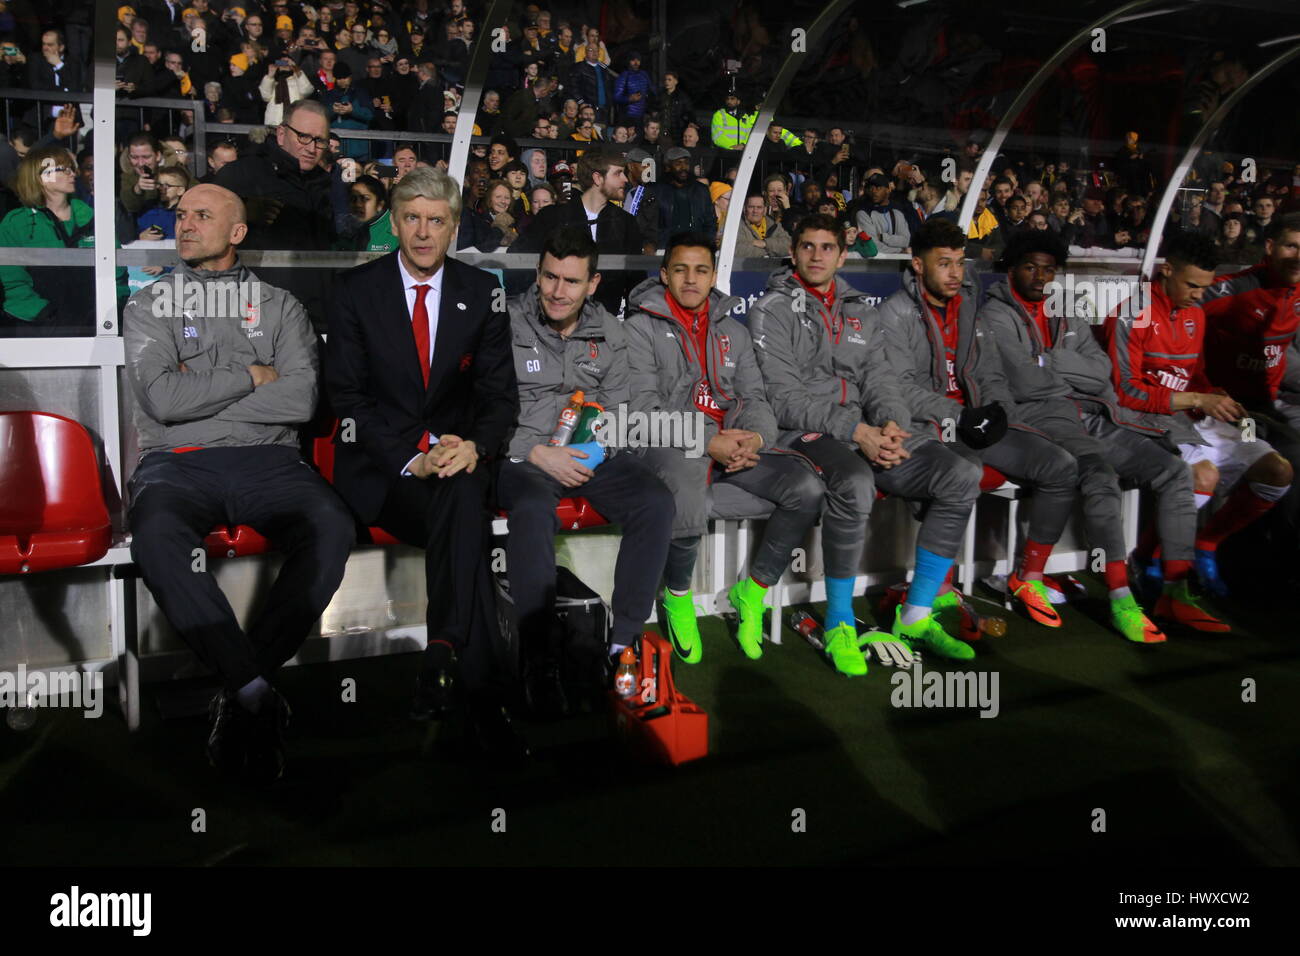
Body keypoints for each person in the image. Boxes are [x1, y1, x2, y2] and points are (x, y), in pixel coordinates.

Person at [124, 183, 354, 783]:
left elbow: (301, 399)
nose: (186, 225)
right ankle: (254, 688)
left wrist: (208, 397)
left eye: (203, 216)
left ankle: (240, 683)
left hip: (269, 461)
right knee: (155, 535)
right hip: (177, 463)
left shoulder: (280, 306)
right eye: (181, 215)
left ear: (238, 232)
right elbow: (163, 400)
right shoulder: (150, 305)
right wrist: (253, 375)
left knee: (330, 524)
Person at [324, 167, 527, 757]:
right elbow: (349, 402)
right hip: (384, 472)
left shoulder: (480, 288)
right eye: (411, 218)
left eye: (436, 221)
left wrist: (474, 447)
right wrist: (416, 457)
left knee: (462, 492)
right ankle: (478, 691)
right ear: (394, 220)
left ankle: (445, 660)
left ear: (453, 226)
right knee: (463, 512)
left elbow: (498, 396)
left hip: (457, 463)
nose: (422, 232)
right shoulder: (356, 292)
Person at [750, 214, 981, 671]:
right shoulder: (771, 309)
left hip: (867, 431)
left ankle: (915, 614)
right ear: (793, 252)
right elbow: (784, 400)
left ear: (842, 254)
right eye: (808, 246)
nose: (818, 256)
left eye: (827, 247)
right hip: (806, 433)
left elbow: (882, 379)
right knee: (854, 481)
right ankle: (840, 622)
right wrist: (858, 432)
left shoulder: (861, 309)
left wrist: (893, 425)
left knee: (961, 473)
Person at [978, 230, 1197, 642]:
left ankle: (1175, 589)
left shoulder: (1067, 306)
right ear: (1012, 270)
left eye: (1048, 269)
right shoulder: (994, 314)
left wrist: (1048, 360)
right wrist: (1063, 369)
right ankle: (1121, 599)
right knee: (1099, 476)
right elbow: (1024, 383)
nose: (1040, 277)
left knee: (1174, 471)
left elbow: (1101, 372)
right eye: (1030, 267)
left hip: (1095, 412)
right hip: (1042, 416)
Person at [625, 233, 825, 665]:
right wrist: (707, 440)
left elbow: (757, 400)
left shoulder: (732, 329)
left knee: (806, 488)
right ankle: (677, 594)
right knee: (687, 487)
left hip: (732, 443)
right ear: (665, 275)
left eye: (701, 271)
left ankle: (752, 591)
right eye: (680, 270)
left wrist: (753, 438)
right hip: (671, 442)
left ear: (714, 276)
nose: (691, 280)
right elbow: (641, 411)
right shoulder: (639, 328)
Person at [498, 227, 674, 715]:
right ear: (537, 274)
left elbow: (618, 415)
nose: (558, 291)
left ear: (592, 284)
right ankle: (540, 661)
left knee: (655, 501)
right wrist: (535, 452)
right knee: (534, 510)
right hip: (523, 457)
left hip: (588, 456)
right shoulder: (504, 324)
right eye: (550, 277)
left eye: (571, 281)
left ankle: (623, 645)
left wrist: (587, 454)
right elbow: (481, 414)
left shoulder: (611, 333)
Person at [876, 217, 1080, 628]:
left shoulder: (969, 304)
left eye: (960, 263)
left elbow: (988, 373)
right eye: (944, 263)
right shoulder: (894, 314)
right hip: (930, 427)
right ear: (917, 265)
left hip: (974, 425)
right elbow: (899, 389)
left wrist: (998, 409)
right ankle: (928, 596)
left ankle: (1027, 577)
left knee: (1062, 466)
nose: (955, 273)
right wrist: (961, 415)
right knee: (963, 473)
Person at [1106, 230, 1292, 608]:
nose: (1198, 295)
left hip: (1191, 416)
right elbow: (1125, 392)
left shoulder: (1194, 314)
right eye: (1192, 285)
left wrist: (1214, 393)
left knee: (1278, 471)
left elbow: (1197, 374)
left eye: (1204, 287)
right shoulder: (1131, 314)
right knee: (1204, 474)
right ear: (1167, 271)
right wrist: (1195, 398)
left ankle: (1206, 545)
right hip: (1143, 421)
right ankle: (1145, 558)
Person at [0, 147, 127, 335]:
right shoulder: (16, 223)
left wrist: (110, 310)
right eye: (63, 169)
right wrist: (46, 316)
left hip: (98, 327)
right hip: (39, 330)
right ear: (39, 177)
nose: (72, 173)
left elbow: (117, 273)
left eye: (71, 168)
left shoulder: (94, 219)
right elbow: (12, 282)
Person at [510, 150, 643, 316]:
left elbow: (636, 280)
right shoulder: (552, 217)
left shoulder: (626, 222)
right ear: (597, 178)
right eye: (618, 173)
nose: (625, 179)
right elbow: (517, 261)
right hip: (552, 321)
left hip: (605, 323)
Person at [213, 98, 335, 250]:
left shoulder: (328, 184)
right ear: (281, 134)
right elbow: (208, 228)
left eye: (320, 140)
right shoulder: (241, 174)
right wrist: (243, 213)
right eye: (303, 137)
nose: (312, 148)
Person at [654, 146, 715, 248]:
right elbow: (652, 225)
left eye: (686, 163)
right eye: (678, 163)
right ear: (667, 167)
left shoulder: (701, 190)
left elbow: (710, 222)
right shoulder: (656, 191)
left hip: (696, 248)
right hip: (666, 249)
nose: (683, 168)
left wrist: (705, 245)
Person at [733, 193, 792, 259]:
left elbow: (789, 245)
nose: (755, 211)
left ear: (765, 210)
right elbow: (737, 250)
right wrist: (772, 250)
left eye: (759, 207)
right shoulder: (736, 226)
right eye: (751, 207)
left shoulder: (774, 225)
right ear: (744, 209)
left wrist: (765, 243)